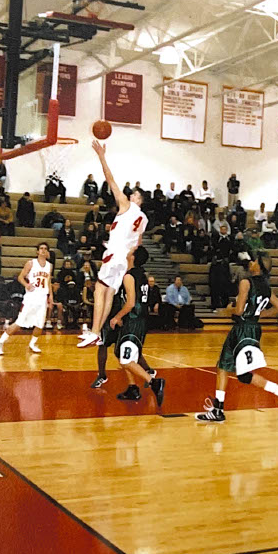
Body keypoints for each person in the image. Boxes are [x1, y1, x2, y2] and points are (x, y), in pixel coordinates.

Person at [195, 254, 278, 423]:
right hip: (251, 328)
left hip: (243, 329)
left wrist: (227, 310)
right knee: (224, 367)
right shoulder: (265, 286)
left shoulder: (245, 282)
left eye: (254, 261)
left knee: (239, 372)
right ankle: (218, 409)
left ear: (259, 267)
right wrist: (258, 315)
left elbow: (239, 310)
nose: (251, 262)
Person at [77, 141, 147, 348]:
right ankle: (97, 333)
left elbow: (110, 179)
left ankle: (95, 331)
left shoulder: (127, 205)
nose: (130, 194)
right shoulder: (144, 219)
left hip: (115, 254)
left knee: (99, 288)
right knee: (108, 292)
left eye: (134, 194)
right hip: (125, 259)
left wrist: (101, 156)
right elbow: (138, 245)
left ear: (138, 199)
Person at [107, 246, 165, 405]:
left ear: (132, 257)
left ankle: (153, 381)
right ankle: (132, 388)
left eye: (130, 251)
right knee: (120, 354)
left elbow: (131, 303)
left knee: (126, 361)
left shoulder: (129, 277)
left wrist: (116, 317)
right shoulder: (142, 275)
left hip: (133, 321)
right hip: (139, 320)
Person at [0, 242, 52, 355]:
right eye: (41, 248)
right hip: (31, 298)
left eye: (45, 249)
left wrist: (50, 297)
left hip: (42, 299)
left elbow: (48, 282)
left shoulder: (49, 265)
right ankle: (0, 342)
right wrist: (26, 285)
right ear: (37, 251)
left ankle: (33, 343)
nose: (43, 250)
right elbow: (20, 277)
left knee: (40, 324)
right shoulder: (31, 263)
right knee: (19, 323)